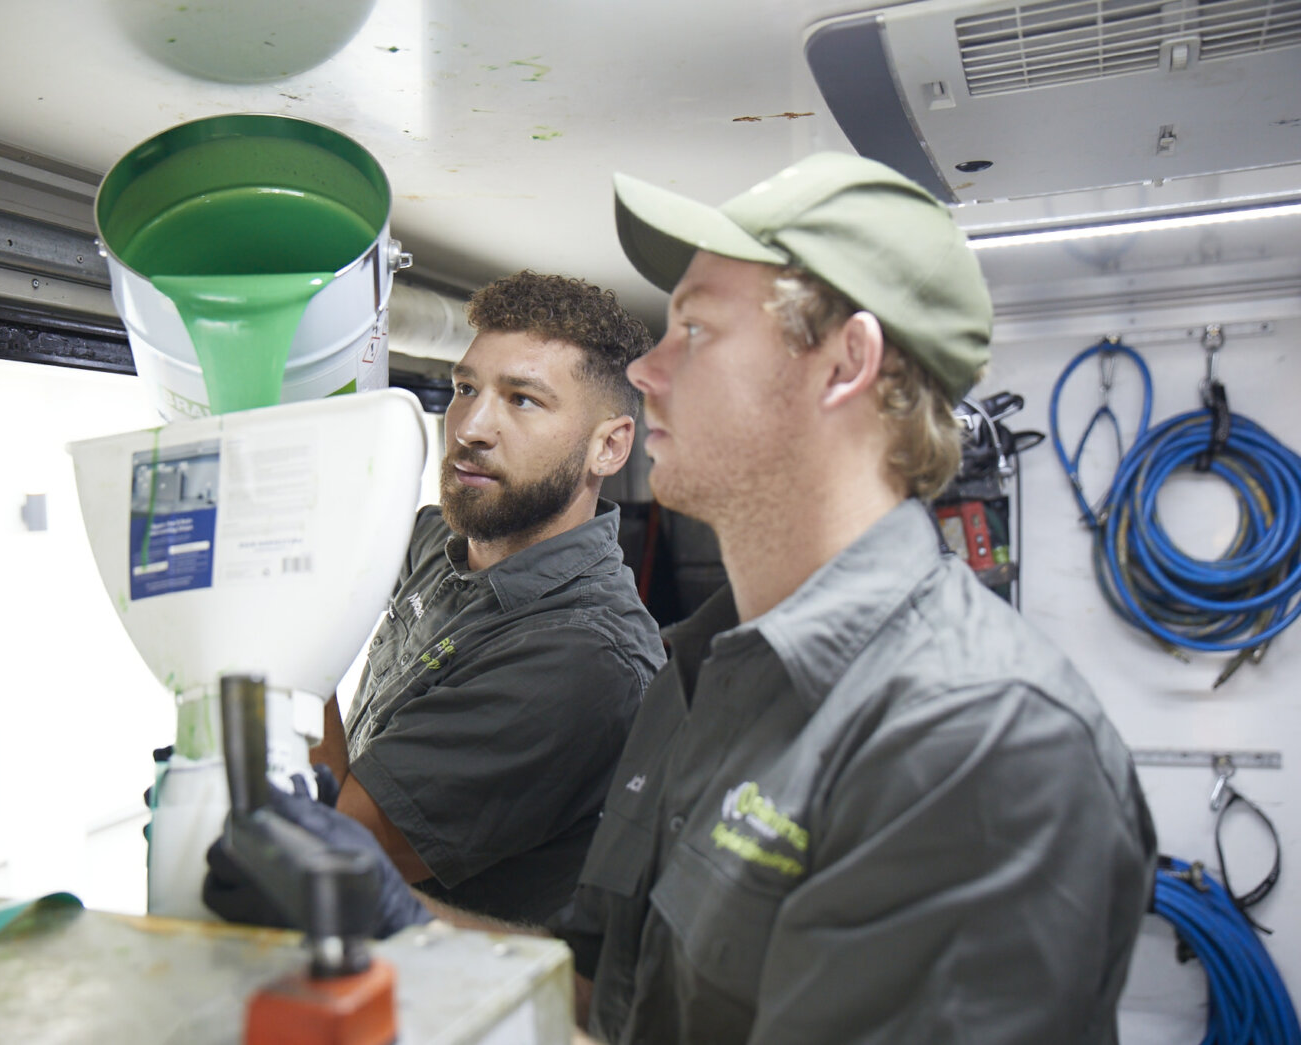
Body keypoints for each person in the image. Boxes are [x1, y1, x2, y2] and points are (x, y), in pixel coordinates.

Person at [213, 154, 1159, 1044]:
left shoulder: (976, 745)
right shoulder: (698, 679)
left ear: (845, 364)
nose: (653, 371)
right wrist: (395, 924)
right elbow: (605, 997)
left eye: (696, 330)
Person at [207, 270, 665, 927]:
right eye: (465, 388)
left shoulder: (581, 661)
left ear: (609, 445)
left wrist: (293, 612)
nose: (471, 426)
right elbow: (329, 538)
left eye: (523, 400)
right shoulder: (435, 540)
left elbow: (331, 849)